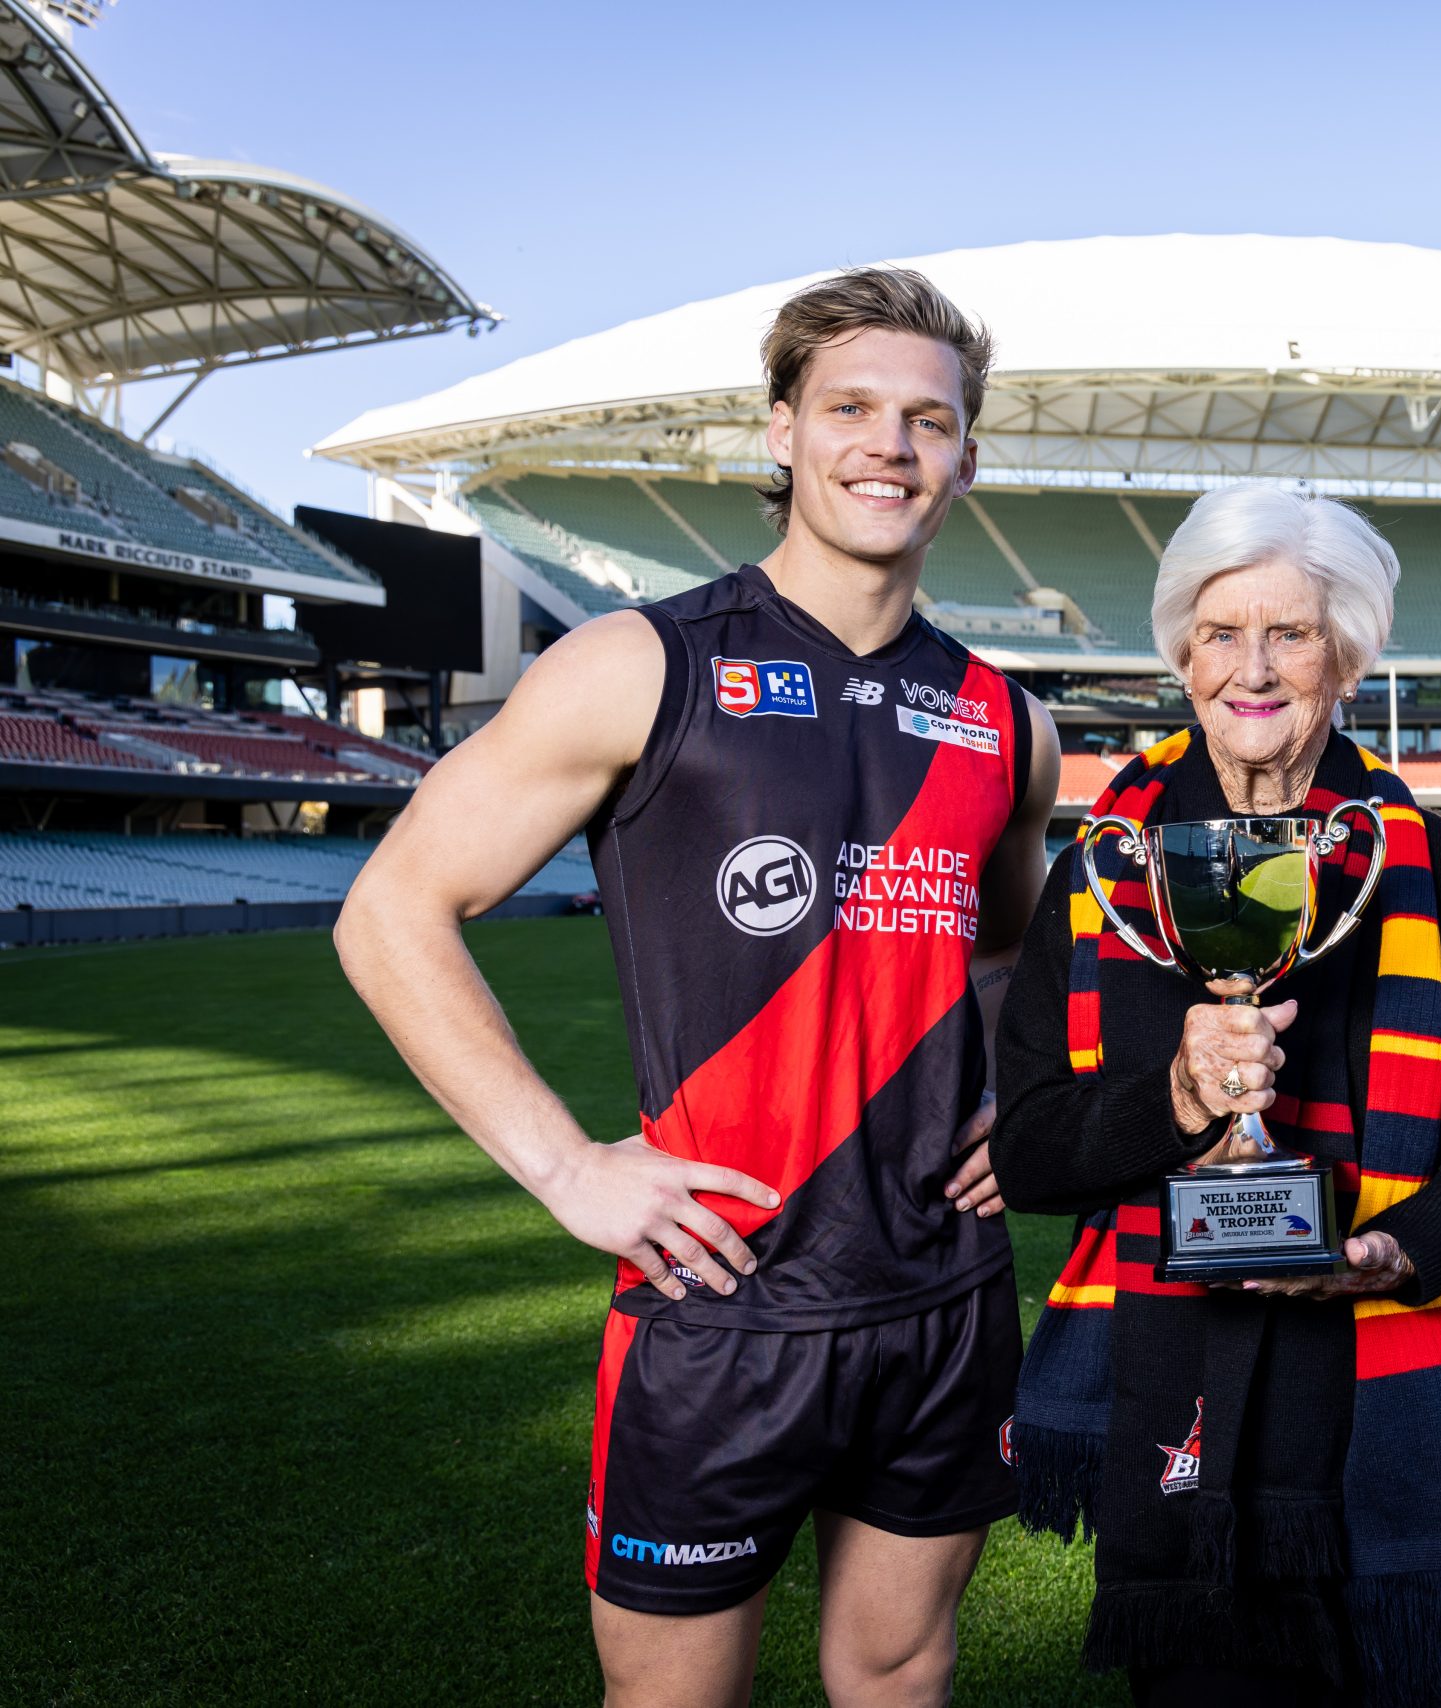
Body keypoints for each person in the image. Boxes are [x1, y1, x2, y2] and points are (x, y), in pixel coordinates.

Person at [337, 266, 1061, 1708]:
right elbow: (393, 909)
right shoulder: (639, 664)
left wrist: (1019, 1097)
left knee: (904, 1674)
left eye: (929, 420)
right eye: (849, 407)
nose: (889, 445)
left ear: (968, 458)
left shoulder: (1006, 722)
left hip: (946, 1300)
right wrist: (563, 1167)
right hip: (719, 1302)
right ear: (780, 433)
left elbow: (1005, 948)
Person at [988, 483, 1441, 1708]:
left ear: (1348, 654)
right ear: (1180, 652)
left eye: (1290, 633)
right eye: (1219, 633)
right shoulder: (1101, 871)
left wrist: (1393, 1249)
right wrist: (1179, 1094)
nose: (1251, 669)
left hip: (1381, 1369)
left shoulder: (1437, 869)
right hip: (1175, 1377)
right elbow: (1036, 1152)